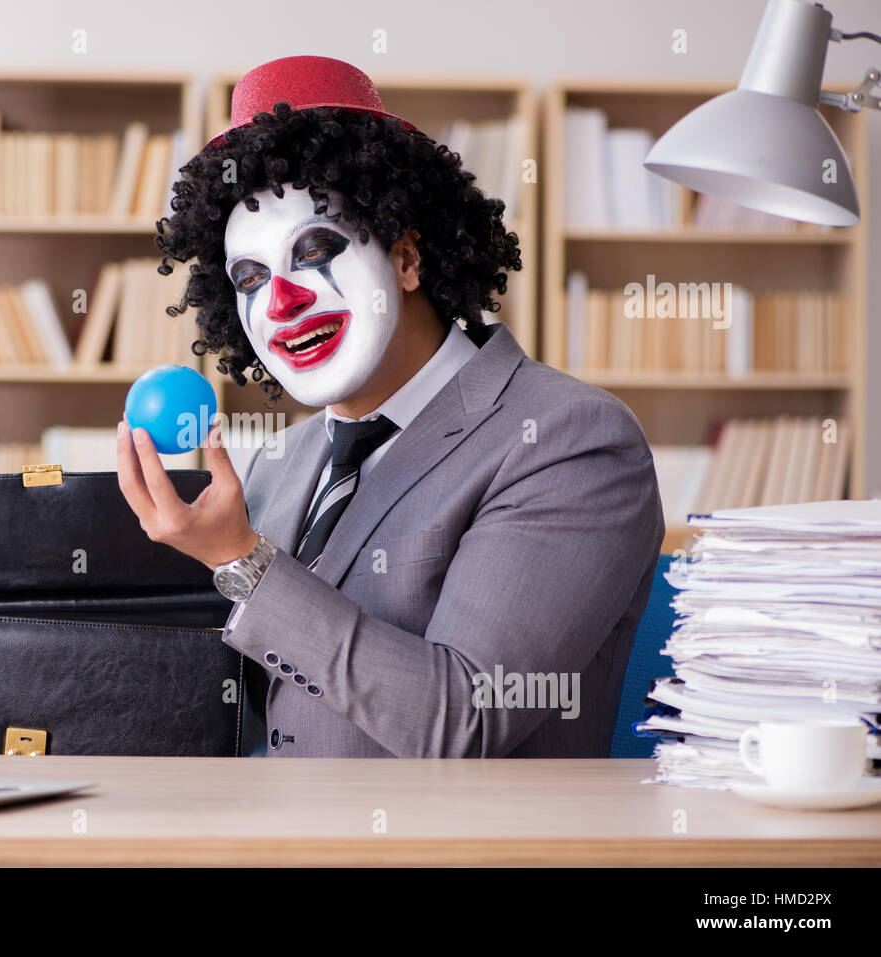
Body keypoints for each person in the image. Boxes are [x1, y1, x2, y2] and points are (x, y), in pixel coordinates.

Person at [116, 55, 664, 758]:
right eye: (250, 277)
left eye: (315, 250)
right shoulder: (279, 461)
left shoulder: (571, 440)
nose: (281, 303)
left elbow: (465, 717)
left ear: (408, 258)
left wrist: (242, 560)